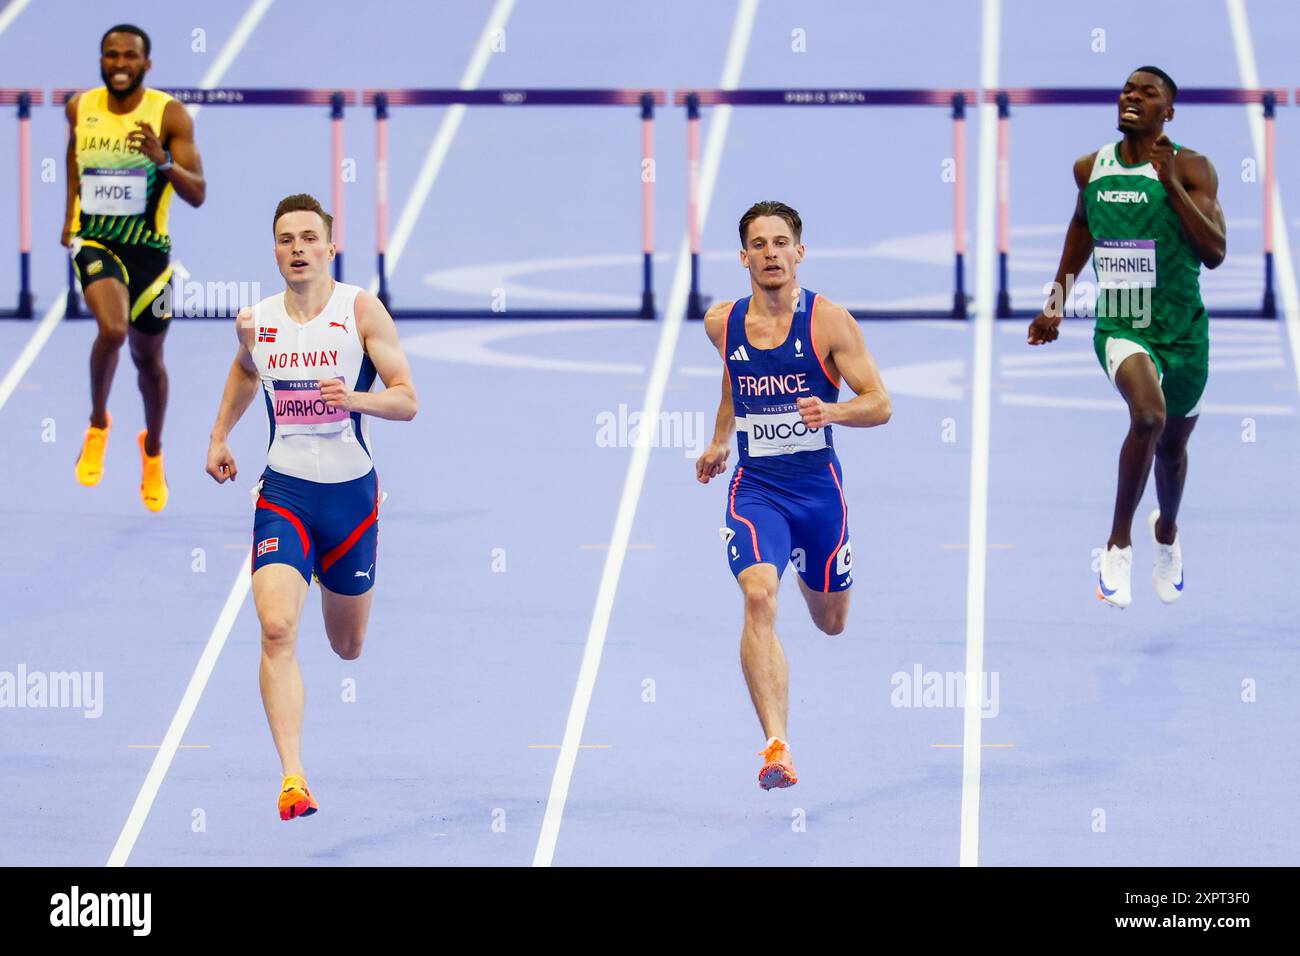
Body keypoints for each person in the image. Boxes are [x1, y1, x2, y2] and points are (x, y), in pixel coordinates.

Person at [205, 194, 418, 820]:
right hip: (284, 494)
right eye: (284, 239)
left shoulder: (360, 310)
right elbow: (247, 371)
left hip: (351, 499)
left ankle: (330, 571)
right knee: (276, 629)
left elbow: (407, 400)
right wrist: (219, 435)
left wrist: (354, 399)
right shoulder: (257, 320)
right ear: (275, 250)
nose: (296, 249)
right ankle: (293, 777)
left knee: (346, 647)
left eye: (307, 238)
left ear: (329, 246)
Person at [695, 201, 891, 790]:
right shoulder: (720, 322)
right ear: (744, 256)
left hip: (817, 494)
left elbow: (880, 402)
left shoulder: (829, 322)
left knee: (830, 623)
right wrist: (719, 439)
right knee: (759, 597)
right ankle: (776, 747)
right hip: (756, 489)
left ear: (799, 252)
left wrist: (830, 410)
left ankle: (811, 562)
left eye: (781, 243)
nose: (771, 253)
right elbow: (734, 374)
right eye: (759, 244)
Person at [1028, 67, 1226, 608]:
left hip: (1184, 332)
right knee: (1147, 417)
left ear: (1169, 113)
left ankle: (1167, 533)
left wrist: (1173, 190)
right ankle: (1118, 544)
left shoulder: (1191, 168)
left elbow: (1214, 253)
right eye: (1127, 90)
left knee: (1174, 450)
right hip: (1123, 320)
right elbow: (1082, 229)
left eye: (1148, 93)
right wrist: (1055, 304)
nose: (1132, 97)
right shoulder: (1090, 168)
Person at [66, 23, 206, 510]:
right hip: (96, 242)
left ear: (146, 65)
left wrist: (162, 159)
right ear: (101, 59)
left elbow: (198, 195)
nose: (119, 64)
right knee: (112, 329)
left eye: (129, 57)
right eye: (111, 55)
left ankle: (152, 450)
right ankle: (99, 423)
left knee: (150, 363)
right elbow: (74, 156)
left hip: (151, 256)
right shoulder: (80, 107)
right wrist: (70, 216)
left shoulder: (168, 115)